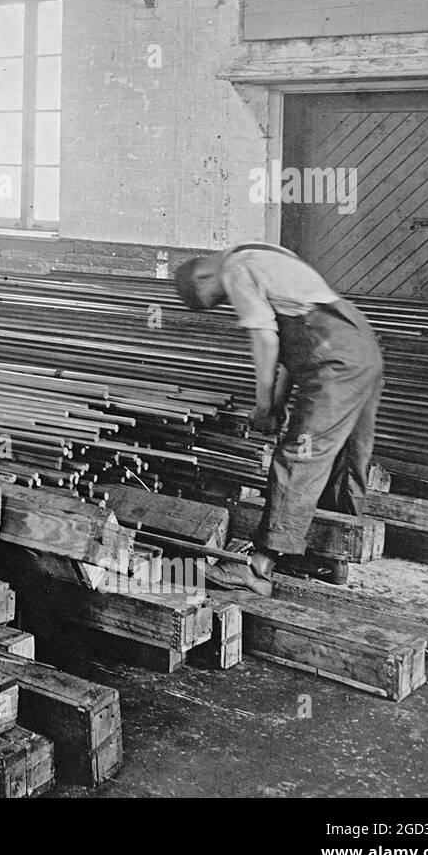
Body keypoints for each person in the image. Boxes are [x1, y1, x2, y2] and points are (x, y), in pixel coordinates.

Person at [174, 243, 384, 594]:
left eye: (214, 296)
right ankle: (332, 559)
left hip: (332, 357)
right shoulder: (270, 256)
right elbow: (294, 346)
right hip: (361, 349)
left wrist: (263, 407)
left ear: (204, 274)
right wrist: (280, 402)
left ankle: (258, 568)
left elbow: (266, 340)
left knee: (299, 455)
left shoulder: (235, 269)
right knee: (346, 458)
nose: (225, 299)